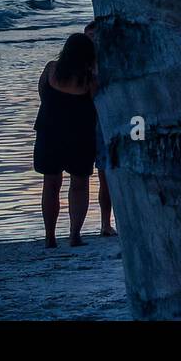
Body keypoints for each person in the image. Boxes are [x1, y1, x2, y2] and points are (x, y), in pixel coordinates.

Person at [33, 33, 98, 247]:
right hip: (80, 135)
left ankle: (50, 237)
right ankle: (74, 235)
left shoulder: (52, 70)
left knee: (50, 184)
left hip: (49, 132)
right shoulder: (89, 79)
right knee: (79, 184)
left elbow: (43, 94)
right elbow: (96, 104)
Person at [84, 21, 116, 237]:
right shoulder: (83, 66)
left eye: (94, 38)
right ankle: (104, 223)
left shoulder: (110, 62)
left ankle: (106, 223)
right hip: (91, 122)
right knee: (97, 175)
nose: (92, 42)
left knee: (108, 175)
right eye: (89, 38)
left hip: (107, 121)